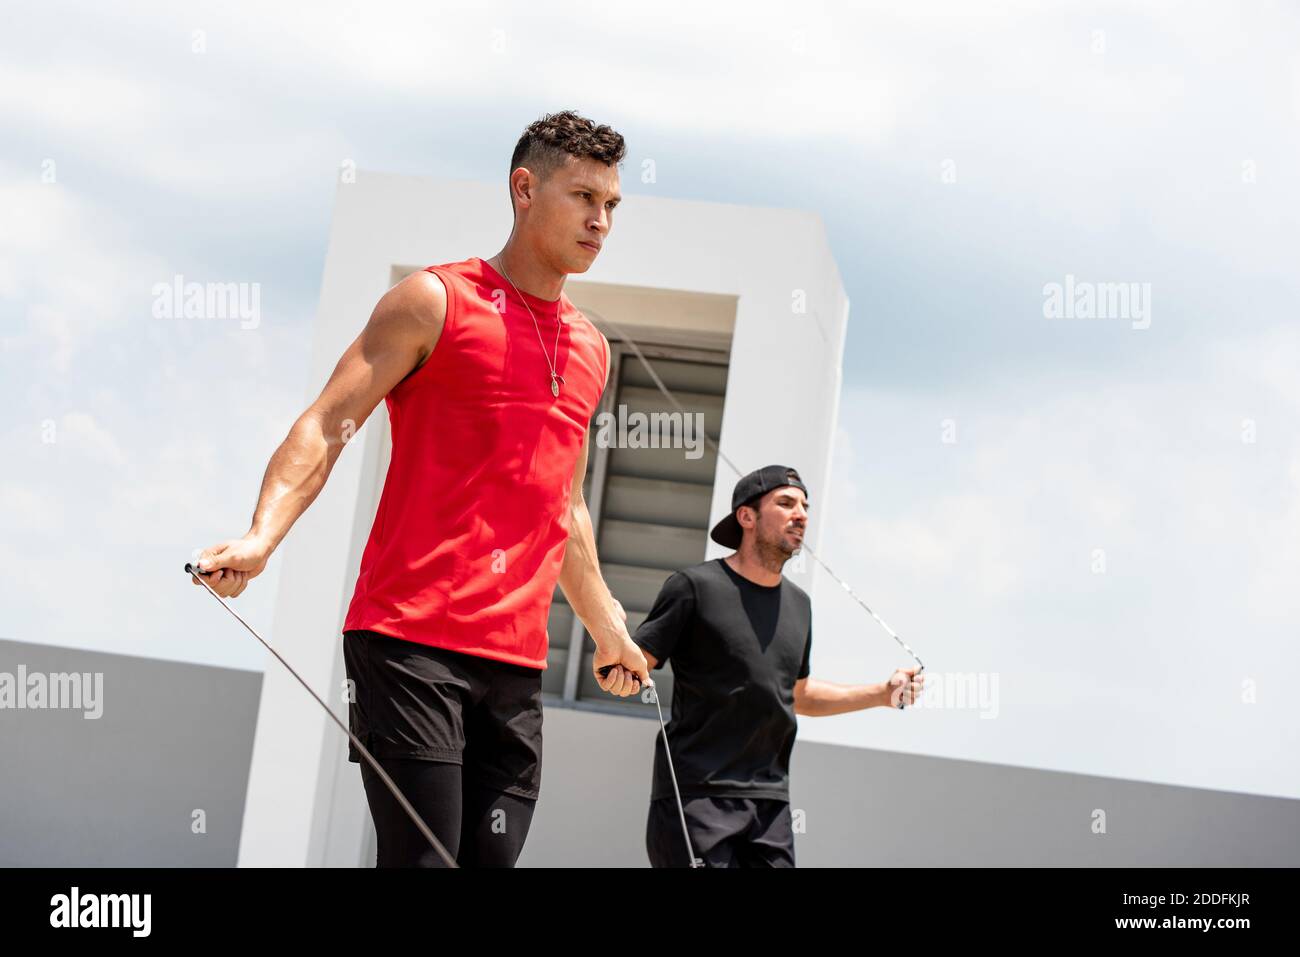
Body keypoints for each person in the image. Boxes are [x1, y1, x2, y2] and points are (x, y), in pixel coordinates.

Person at [191, 110, 649, 867]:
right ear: (524, 188)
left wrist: (607, 626)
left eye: (612, 205)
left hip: (515, 665)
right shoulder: (436, 301)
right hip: (409, 642)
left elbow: (561, 501)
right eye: (583, 198)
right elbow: (326, 422)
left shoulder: (591, 347)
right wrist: (261, 537)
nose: (601, 220)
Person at [633, 464, 925, 867]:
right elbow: (634, 663)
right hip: (696, 796)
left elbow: (798, 695)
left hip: (771, 808)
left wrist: (880, 694)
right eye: (786, 503)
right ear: (746, 517)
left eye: (805, 506)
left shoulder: (799, 606)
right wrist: (608, 632)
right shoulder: (693, 587)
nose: (801, 514)